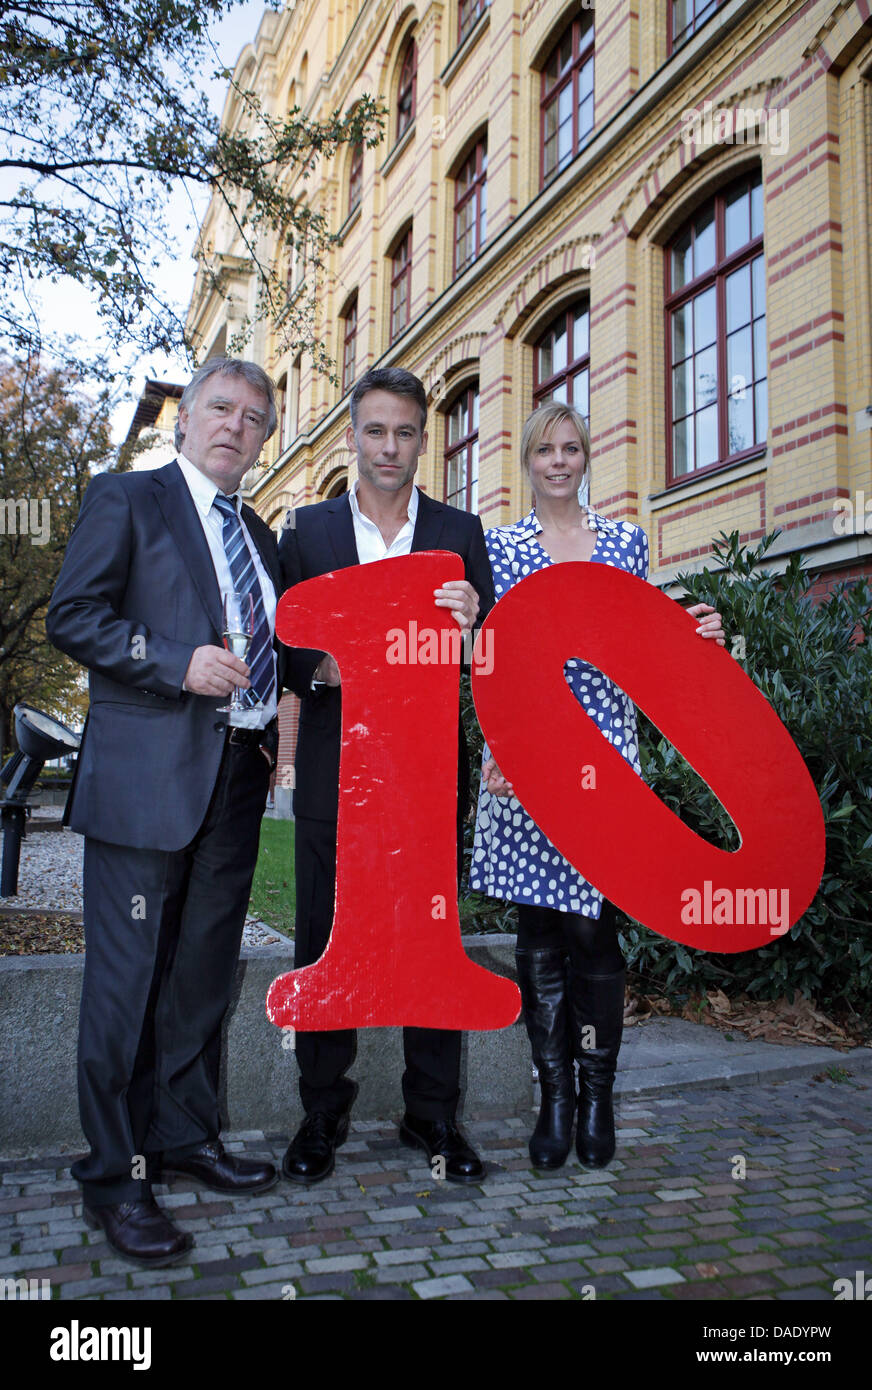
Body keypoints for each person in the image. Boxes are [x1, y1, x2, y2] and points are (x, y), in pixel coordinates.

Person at [46, 357, 285, 1267]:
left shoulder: (258, 535)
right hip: (147, 780)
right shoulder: (129, 499)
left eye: (254, 417)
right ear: (186, 420)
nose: (235, 425)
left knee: (198, 980)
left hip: (235, 781)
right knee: (124, 987)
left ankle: (183, 1137)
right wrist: (171, 658)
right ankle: (114, 1177)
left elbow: (281, 645)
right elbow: (76, 615)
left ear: (264, 438)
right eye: (220, 408)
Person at [470, 400, 725, 1172]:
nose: (557, 461)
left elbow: (637, 641)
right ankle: (553, 1100)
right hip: (525, 753)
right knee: (540, 927)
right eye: (544, 449)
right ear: (526, 459)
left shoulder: (622, 541)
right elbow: (495, 652)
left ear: (587, 457)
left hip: (602, 751)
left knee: (592, 927)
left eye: (570, 448)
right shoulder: (501, 545)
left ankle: (596, 1095)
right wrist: (502, 749)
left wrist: (695, 634)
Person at [278, 365, 494, 1185]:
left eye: (405, 432)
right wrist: (323, 664)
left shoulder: (458, 532)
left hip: (423, 781)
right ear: (352, 437)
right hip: (336, 775)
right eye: (375, 430)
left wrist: (476, 628)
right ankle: (320, 1115)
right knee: (321, 942)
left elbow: (492, 660)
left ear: (421, 439)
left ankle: (432, 1117)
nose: (390, 447)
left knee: (429, 945)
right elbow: (283, 652)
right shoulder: (306, 532)